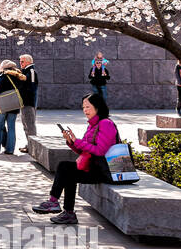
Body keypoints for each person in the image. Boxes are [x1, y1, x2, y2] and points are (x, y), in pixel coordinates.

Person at [31, 93, 120, 226]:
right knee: (66, 168)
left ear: (98, 107)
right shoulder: (92, 125)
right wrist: (72, 142)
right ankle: (65, 211)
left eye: (88, 107)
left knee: (66, 169)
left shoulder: (105, 124)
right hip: (93, 167)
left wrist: (78, 142)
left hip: (106, 170)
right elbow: (85, 151)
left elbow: (101, 151)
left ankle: (57, 204)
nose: (85, 110)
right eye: (83, 107)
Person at [0, 60, 26, 155]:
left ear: (3, 67)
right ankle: (10, 150)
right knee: (11, 127)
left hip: (1, 105)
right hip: (14, 105)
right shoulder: (19, 76)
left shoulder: (3, 76)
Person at [17, 54, 39, 140]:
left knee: (30, 125)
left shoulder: (31, 71)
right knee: (25, 124)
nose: (20, 63)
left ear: (28, 62)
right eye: (20, 61)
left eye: (22, 61)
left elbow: (32, 87)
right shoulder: (25, 71)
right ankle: (29, 145)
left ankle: (33, 146)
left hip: (28, 102)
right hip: (24, 102)